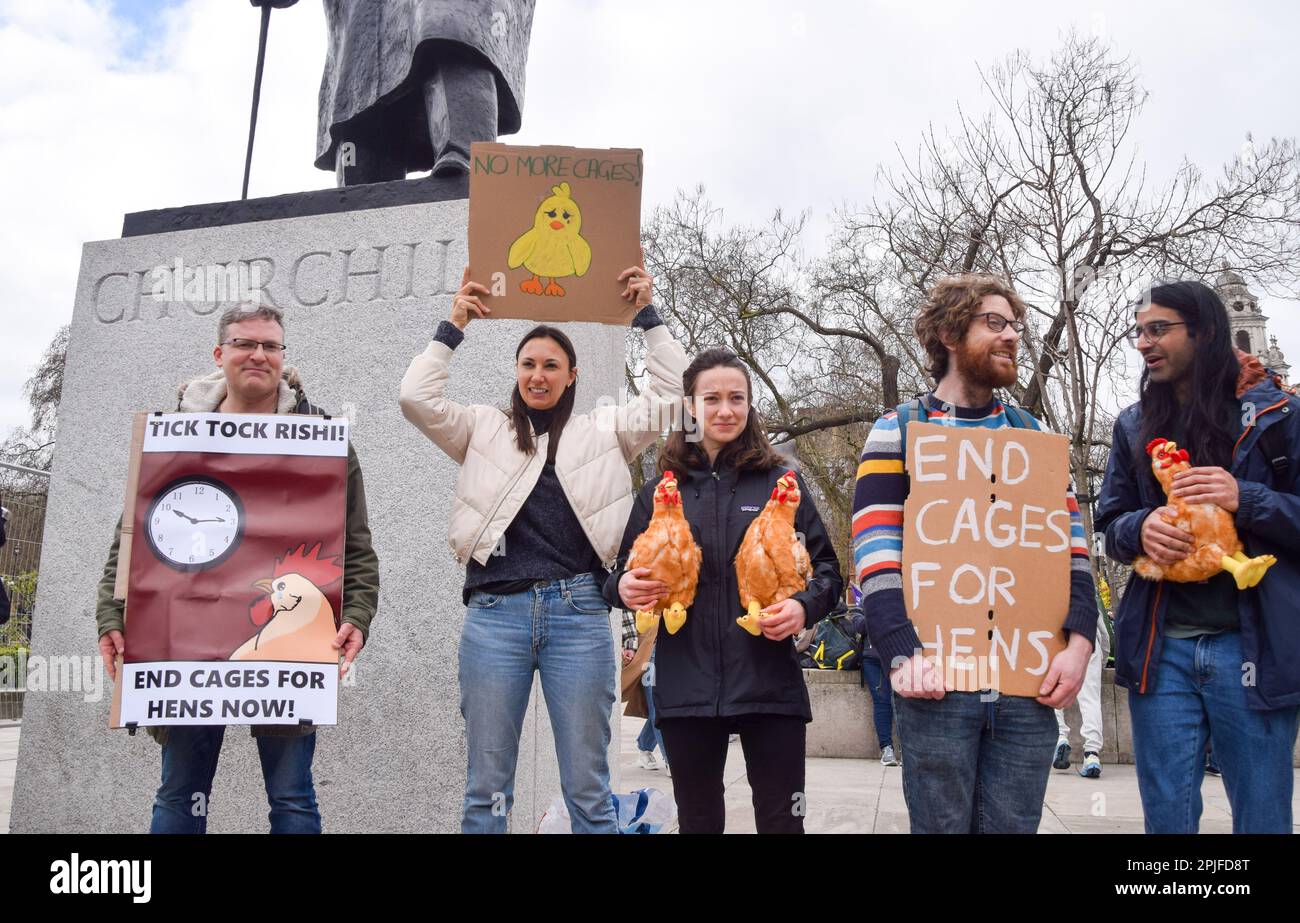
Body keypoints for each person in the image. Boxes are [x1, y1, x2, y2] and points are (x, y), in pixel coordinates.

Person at [399, 265, 687, 834]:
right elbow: (415, 397)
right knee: (487, 789)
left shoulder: (606, 431)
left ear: (571, 375)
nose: (538, 374)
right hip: (494, 617)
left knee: (588, 787)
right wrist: (454, 324)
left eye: (551, 365)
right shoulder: (482, 428)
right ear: (517, 372)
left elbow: (674, 395)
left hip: (578, 614)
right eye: (528, 363)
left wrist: (646, 315)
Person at [95, 301, 380, 834]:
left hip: (288, 645)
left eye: (270, 345)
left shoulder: (323, 439)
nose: (259, 355)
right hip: (180, 640)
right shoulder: (173, 434)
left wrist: (357, 615)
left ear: (282, 356)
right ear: (220, 353)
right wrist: (112, 616)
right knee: (180, 795)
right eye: (246, 344)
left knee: (292, 796)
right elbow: (133, 535)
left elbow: (356, 544)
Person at [853, 273, 1096, 834]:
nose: (1012, 335)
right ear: (948, 334)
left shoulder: (1034, 437)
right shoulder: (898, 430)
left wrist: (1080, 643)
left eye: (1015, 325)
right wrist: (900, 651)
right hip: (935, 682)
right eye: (995, 323)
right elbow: (875, 548)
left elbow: (1071, 551)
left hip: (1026, 686)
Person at [606, 348, 843, 834]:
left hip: (769, 684)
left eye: (737, 398)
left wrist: (802, 607)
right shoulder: (658, 493)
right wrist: (623, 587)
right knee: (698, 823)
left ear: (750, 405)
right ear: (690, 407)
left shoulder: (784, 483)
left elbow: (828, 573)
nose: (725, 409)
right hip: (685, 686)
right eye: (711, 398)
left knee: (783, 823)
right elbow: (613, 577)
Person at [1094, 279, 1300, 834]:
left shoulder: (1281, 415)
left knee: (1262, 818)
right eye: (1138, 332)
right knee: (1168, 823)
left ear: (1205, 332)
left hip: (1253, 650)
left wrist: (1246, 499)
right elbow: (1109, 524)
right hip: (1162, 655)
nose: (1143, 342)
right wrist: (1142, 528)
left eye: (1158, 329)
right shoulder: (1134, 424)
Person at [1053, 611, 1110, 778]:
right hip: (1087, 641)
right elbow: (1105, 634)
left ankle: (1060, 738)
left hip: (1057, 639)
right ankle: (1091, 754)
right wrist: (1103, 660)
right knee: (1090, 700)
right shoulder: (1083, 592)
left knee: (1054, 692)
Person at [848, 586, 898, 766]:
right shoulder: (862, 601)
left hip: (899, 657)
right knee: (882, 702)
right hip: (873, 660)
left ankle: (907, 750)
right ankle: (887, 749)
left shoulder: (900, 596)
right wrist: (879, 614)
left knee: (904, 703)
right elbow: (858, 624)